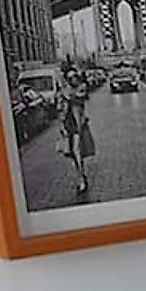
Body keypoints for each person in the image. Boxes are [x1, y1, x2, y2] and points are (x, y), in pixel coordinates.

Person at [58, 58, 92, 195]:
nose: (73, 79)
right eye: (69, 78)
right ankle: (81, 175)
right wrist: (61, 124)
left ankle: (81, 180)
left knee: (76, 151)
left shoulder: (81, 88)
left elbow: (79, 97)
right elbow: (60, 107)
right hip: (68, 123)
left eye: (74, 77)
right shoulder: (65, 90)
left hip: (78, 124)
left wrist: (66, 94)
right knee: (72, 153)